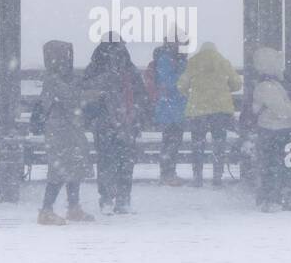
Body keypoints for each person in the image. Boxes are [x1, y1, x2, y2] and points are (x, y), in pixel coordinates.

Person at [84, 35, 150, 214]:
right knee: (122, 161)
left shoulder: (95, 67)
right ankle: (119, 199)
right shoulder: (128, 68)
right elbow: (141, 95)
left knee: (109, 161)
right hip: (122, 122)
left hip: (111, 122)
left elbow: (85, 94)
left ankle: (111, 199)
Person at [36, 40, 97, 225]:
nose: (67, 59)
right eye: (64, 55)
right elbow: (71, 97)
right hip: (59, 130)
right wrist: (88, 93)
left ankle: (73, 207)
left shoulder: (66, 78)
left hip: (71, 128)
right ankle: (46, 210)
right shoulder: (52, 79)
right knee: (59, 169)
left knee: (75, 166)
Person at [177, 41, 242, 187]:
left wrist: (190, 95)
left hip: (198, 111)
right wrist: (225, 90)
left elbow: (181, 84)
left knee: (198, 145)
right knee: (219, 145)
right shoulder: (223, 62)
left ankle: (197, 178)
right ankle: (217, 178)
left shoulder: (193, 62)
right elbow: (237, 83)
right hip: (220, 111)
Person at [251, 47, 291, 212]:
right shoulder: (267, 87)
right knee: (277, 166)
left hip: (279, 131)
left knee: (283, 166)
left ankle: (282, 197)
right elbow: (280, 109)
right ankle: (274, 199)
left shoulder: (271, 85)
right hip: (275, 131)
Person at [150, 41, 188, 187]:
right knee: (170, 143)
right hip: (170, 108)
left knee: (172, 142)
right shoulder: (167, 60)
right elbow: (169, 83)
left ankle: (169, 173)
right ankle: (168, 174)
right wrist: (183, 75)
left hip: (173, 108)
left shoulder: (170, 59)